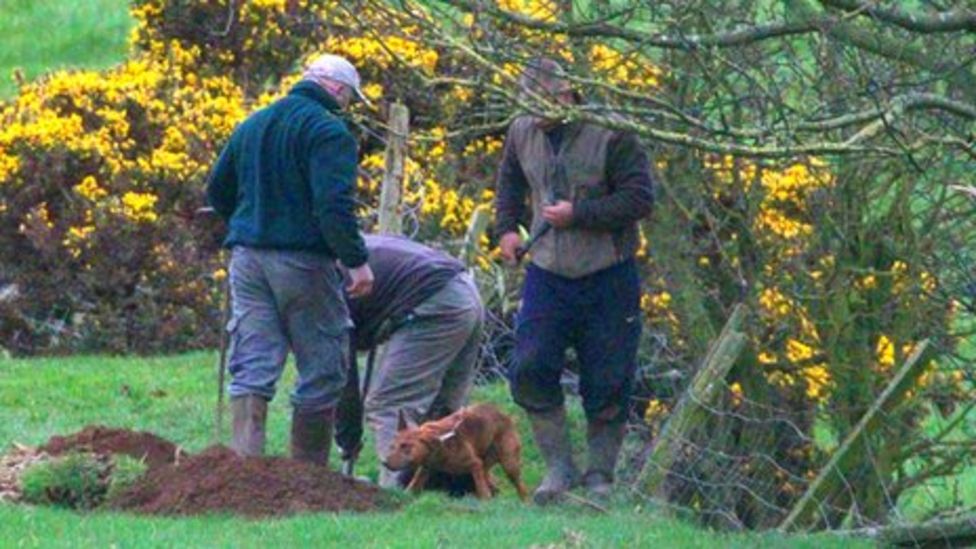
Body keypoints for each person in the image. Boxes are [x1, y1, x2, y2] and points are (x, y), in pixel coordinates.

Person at [494, 58, 656, 503]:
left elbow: (641, 199)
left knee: (609, 377)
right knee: (529, 366)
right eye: (526, 103)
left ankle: (600, 477)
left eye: (543, 102)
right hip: (546, 272)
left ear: (568, 95)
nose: (534, 112)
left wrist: (579, 215)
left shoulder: (613, 132)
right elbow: (509, 181)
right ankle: (558, 470)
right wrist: (506, 228)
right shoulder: (521, 129)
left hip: (609, 272)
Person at [206, 53, 375, 466]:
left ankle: (244, 474)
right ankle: (307, 478)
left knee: (253, 364)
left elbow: (217, 190)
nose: (347, 107)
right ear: (337, 90)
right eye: (349, 99)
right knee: (323, 365)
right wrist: (355, 260)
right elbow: (334, 206)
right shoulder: (328, 131)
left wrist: (250, 222)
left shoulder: (253, 124)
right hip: (303, 263)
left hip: (247, 261)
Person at [334, 235, 484, 488]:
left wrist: (347, 438)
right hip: (464, 291)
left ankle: (393, 494)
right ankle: (447, 494)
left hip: (436, 302)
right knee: (443, 415)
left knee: (390, 404)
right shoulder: (343, 249)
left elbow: (342, 374)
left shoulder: (319, 282)